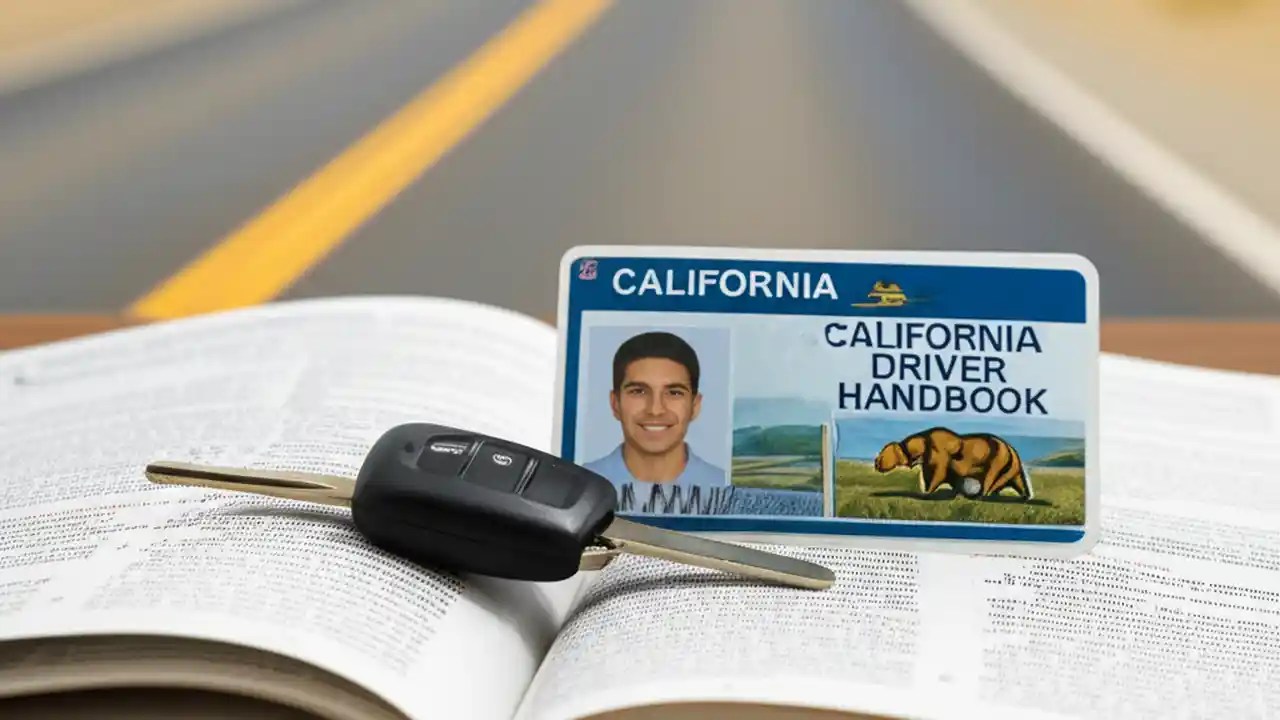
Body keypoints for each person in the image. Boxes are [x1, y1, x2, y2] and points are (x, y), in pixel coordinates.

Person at [584, 330, 727, 496]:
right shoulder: (579, 486)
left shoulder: (728, 489)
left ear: (695, 406)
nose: (655, 410)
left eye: (674, 393)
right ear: (615, 404)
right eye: (638, 391)